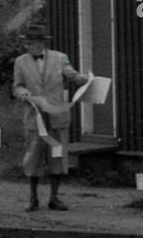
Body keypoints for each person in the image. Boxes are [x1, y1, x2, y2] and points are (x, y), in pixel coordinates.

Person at [12, 23, 89, 211]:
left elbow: (71, 75)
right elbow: (17, 85)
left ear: (43, 43)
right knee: (33, 157)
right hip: (35, 116)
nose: (34, 45)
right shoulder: (20, 62)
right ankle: (33, 198)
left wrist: (84, 80)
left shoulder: (59, 58)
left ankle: (54, 198)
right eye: (30, 42)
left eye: (38, 42)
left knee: (58, 156)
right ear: (25, 44)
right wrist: (22, 94)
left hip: (57, 114)